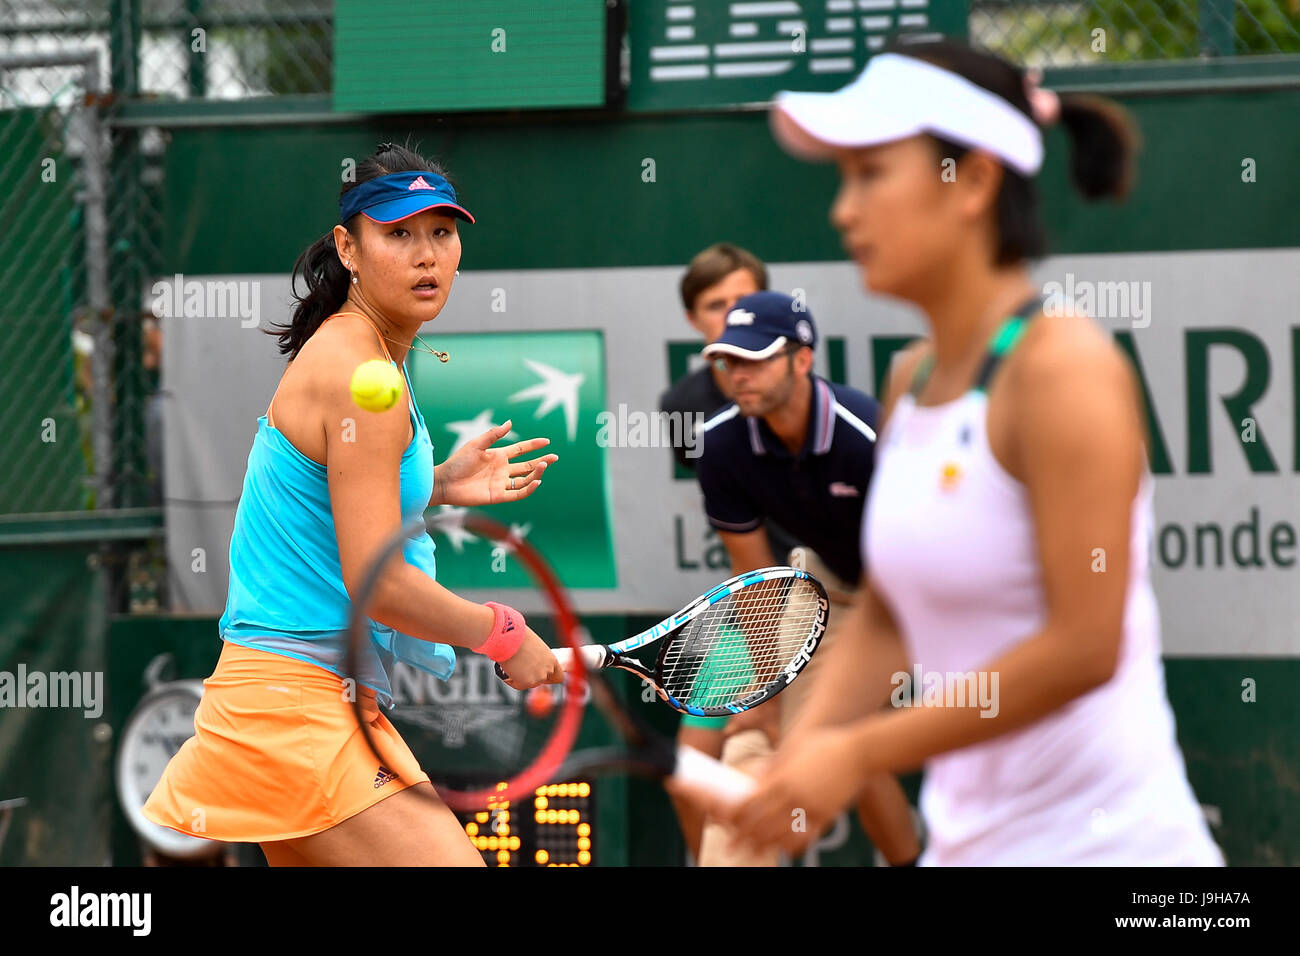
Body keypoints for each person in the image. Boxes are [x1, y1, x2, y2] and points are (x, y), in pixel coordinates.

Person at [682, 41, 1224, 865]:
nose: (843, 210)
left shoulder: (1064, 371)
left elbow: (1086, 646)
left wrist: (859, 752)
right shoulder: (912, 379)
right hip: (970, 845)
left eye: (871, 174)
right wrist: (807, 747)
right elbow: (895, 611)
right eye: (843, 177)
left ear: (970, 181)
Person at [142, 142, 564, 867]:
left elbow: (324, 495)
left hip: (292, 702)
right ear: (350, 248)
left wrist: (431, 483)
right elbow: (384, 583)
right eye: (398, 234)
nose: (426, 255)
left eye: (441, 232)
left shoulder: (364, 352)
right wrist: (502, 633)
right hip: (297, 710)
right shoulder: (361, 373)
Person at [690, 290, 922, 867]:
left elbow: (929, 552)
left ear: (801, 359)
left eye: (754, 358)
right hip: (829, 588)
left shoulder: (867, 435)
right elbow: (753, 573)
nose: (737, 375)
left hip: (925, 593)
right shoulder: (722, 445)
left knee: (847, 744)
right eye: (728, 361)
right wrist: (766, 690)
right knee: (751, 739)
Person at [657, 243, 800, 860]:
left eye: (744, 300)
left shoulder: (799, 394)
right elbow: (743, 543)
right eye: (717, 306)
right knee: (688, 773)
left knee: (837, 762)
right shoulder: (684, 407)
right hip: (754, 602)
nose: (734, 316)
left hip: (826, 592)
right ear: (695, 320)